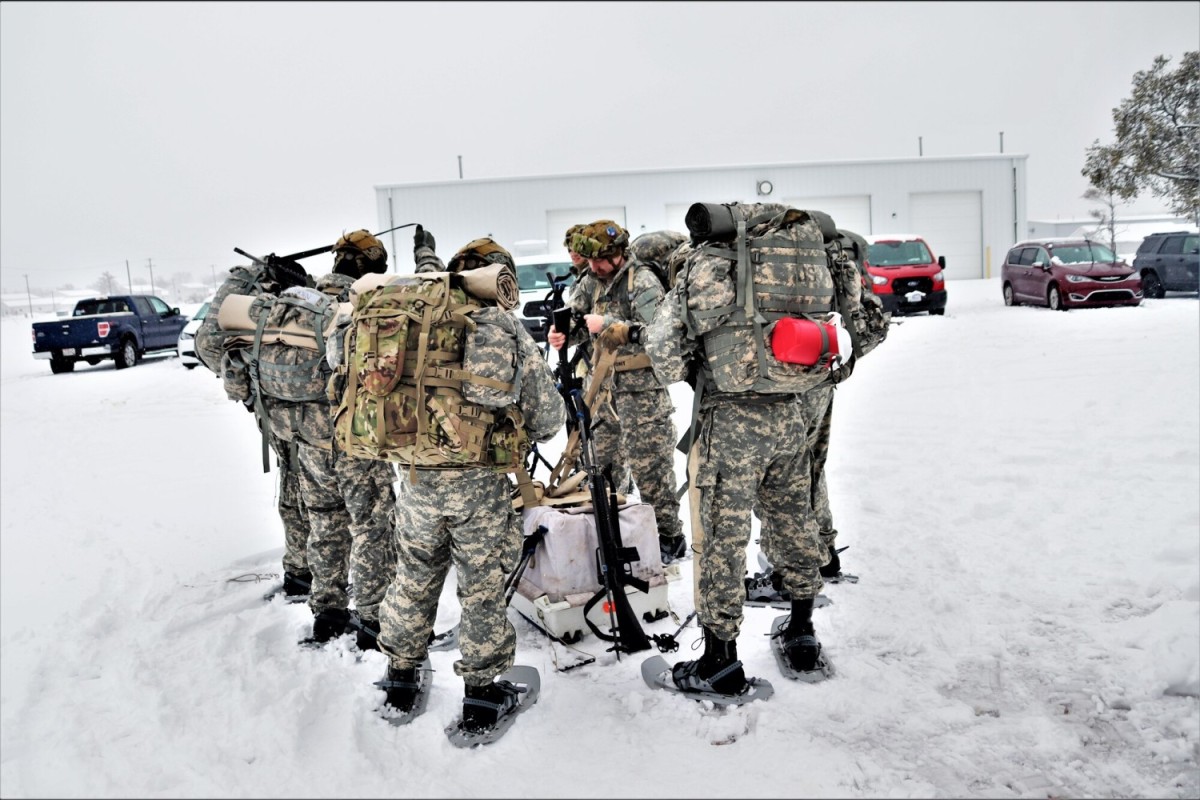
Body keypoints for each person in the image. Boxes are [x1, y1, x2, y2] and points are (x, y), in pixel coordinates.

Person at [641, 202, 840, 695]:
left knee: (720, 543)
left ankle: (720, 662)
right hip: (790, 413)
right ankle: (801, 632)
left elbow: (664, 356)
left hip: (729, 420)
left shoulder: (705, 266)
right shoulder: (789, 263)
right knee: (794, 521)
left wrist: (699, 368)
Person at [375, 233, 565, 734]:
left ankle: (400, 677)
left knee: (413, 576)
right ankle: (482, 697)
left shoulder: (413, 318)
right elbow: (547, 418)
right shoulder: (500, 326)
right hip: (479, 485)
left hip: (416, 478)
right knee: (481, 588)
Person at [547, 220, 687, 565]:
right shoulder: (591, 282)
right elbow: (579, 321)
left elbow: (660, 333)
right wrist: (564, 334)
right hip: (603, 391)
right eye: (590, 262)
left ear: (619, 253)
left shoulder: (642, 282)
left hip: (642, 393)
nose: (594, 268)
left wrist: (610, 325)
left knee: (651, 468)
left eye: (601, 261)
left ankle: (669, 536)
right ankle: (615, 527)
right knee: (602, 465)